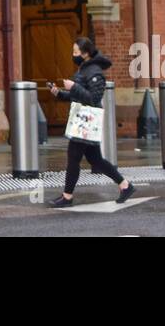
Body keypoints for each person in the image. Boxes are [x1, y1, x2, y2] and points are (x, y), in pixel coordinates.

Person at [48, 37, 135, 207]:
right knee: (96, 160)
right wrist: (59, 93)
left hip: (87, 122)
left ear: (86, 53)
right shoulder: (84, 69)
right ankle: (125, 186)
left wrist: (73, 87)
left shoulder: (95, 72)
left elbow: (93, 99)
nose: (73, 55)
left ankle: (67, 196)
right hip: (83, 120)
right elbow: (78, 96)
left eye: (75, 52)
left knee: (73, 158)